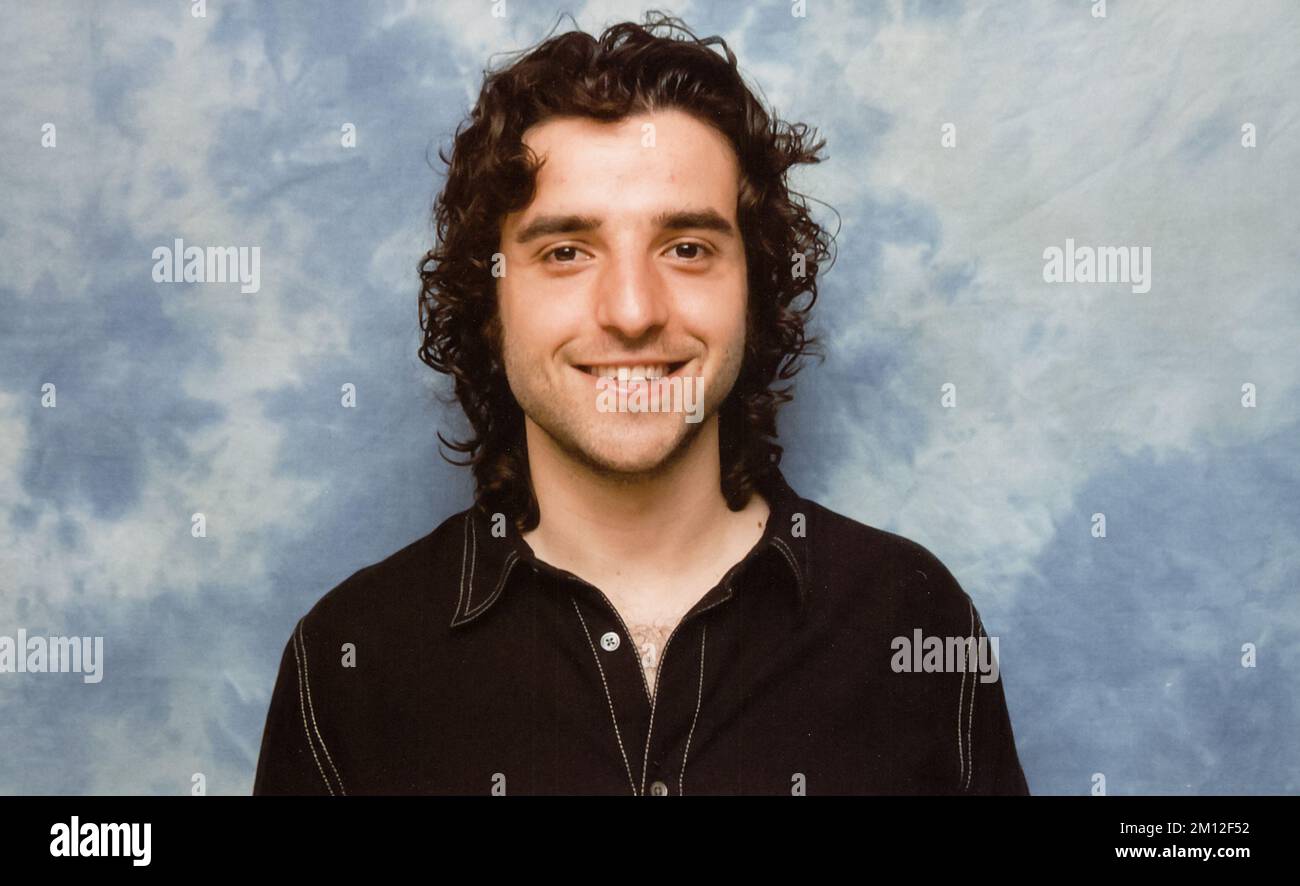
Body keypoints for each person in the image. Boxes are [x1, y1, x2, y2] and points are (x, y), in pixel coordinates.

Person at [253, 12, 1029, 796]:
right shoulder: (350, 660)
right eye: (566, 252)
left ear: (754, 290)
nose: (632, 311)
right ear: (489, 303)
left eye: (687, 248)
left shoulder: (913, 622)